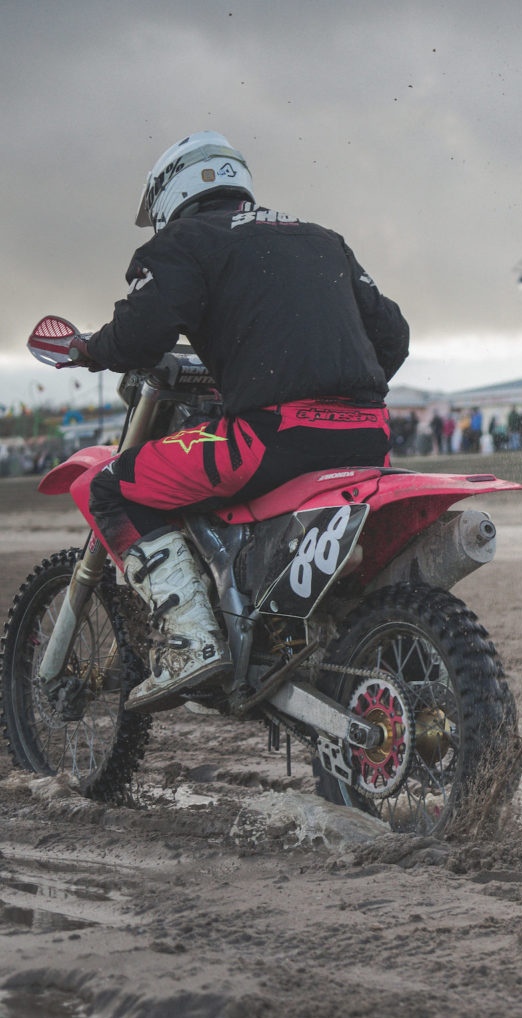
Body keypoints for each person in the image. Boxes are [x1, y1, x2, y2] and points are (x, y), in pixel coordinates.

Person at [74, 132, 407, 709]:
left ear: (169, 192)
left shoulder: (184, 240)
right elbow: (393, 337)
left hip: (270, 440)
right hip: (368, 435)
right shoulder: (321, 238)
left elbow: (140, 335)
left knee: (107, 487)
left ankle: (193, 642)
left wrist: (89, 349)